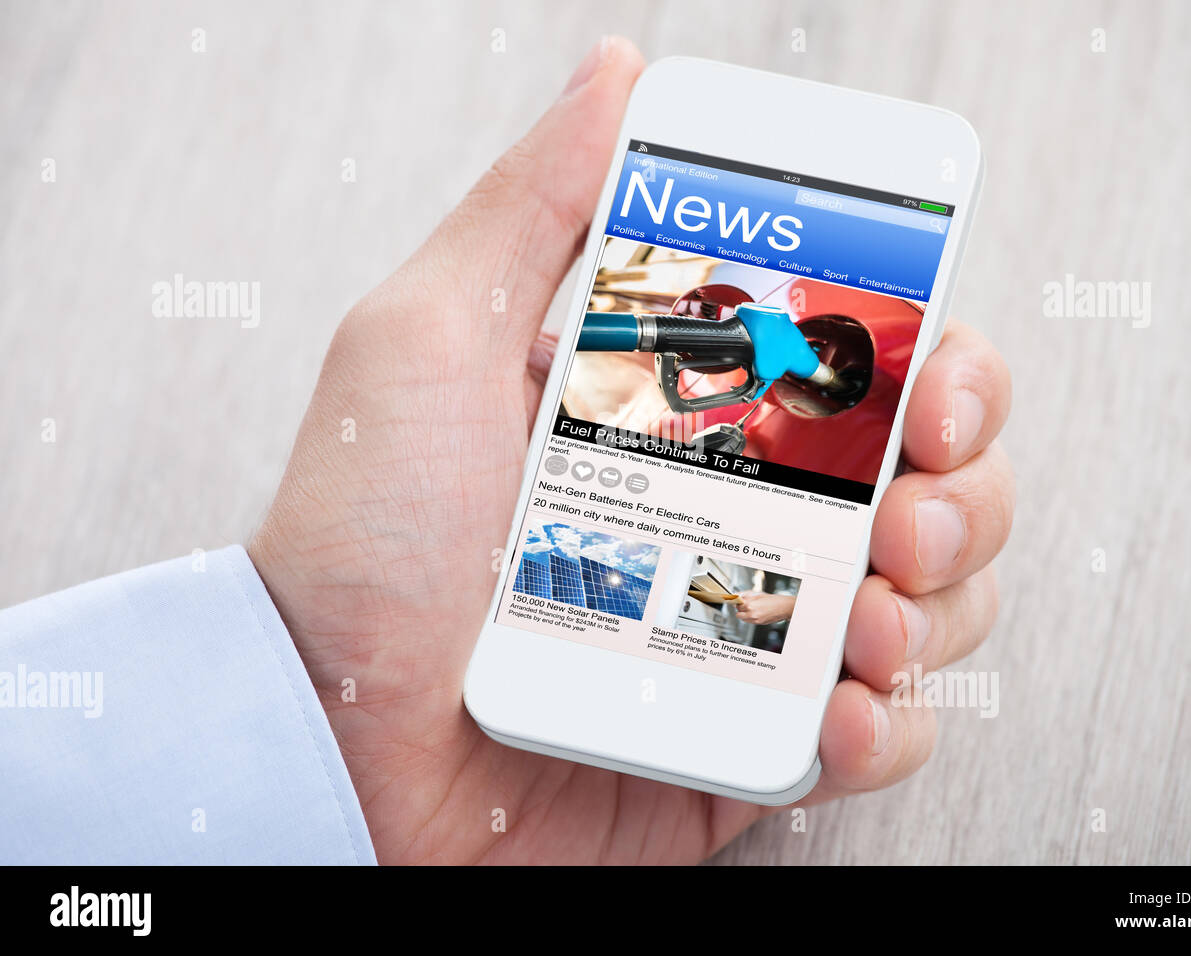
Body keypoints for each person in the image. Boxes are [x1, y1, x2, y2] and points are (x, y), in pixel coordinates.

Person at [0, 37, 1013, 865]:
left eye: (813, 382)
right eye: (806, 363)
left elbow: (673, 404)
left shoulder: (743, 394)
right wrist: (337, 734)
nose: (797, 375)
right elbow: (636, 357)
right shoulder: (718, 333)